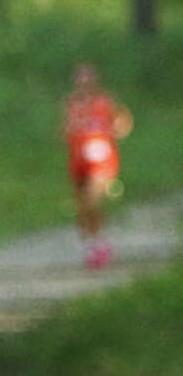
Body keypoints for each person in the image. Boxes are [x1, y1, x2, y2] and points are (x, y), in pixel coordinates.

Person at [63, 61, 132, 269]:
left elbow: (123, 122)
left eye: (87, 78)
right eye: (80, 79)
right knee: (83, 207)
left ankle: (99, 242)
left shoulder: (106, 101)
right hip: (79, 160)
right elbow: (63, 132)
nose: (83, 83)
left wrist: (118, 128)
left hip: (102, 161)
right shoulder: (71, 104)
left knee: (93, 199)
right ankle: (93, 242)